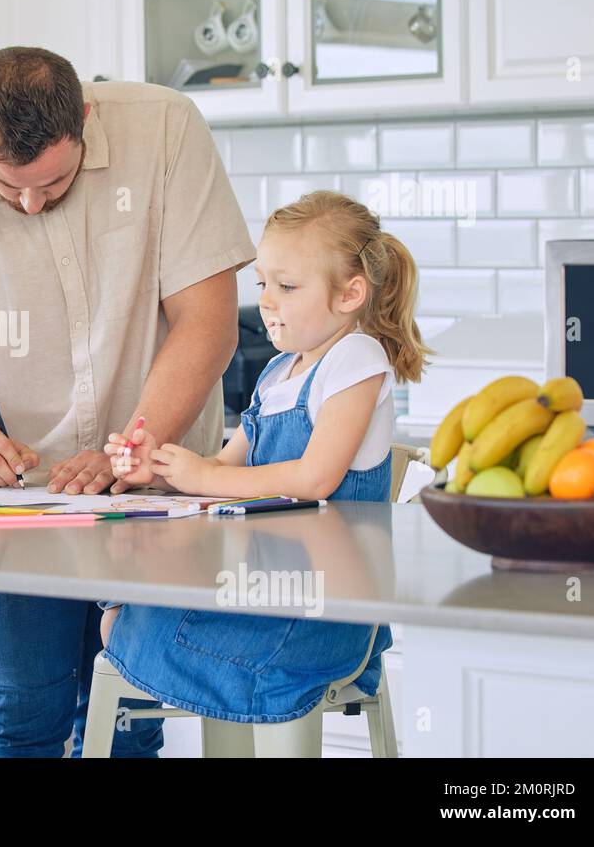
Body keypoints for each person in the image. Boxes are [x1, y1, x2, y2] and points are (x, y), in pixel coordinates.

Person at [0, 46, 254, 756]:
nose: (30, 201)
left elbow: (206, 325)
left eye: (53, 180)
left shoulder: (168, 131)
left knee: (126, 720)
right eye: (8, 184)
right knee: (21, 719)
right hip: (21, 510)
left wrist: (129, 445)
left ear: (84, 115)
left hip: (153, 494)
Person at [100, 190, 431, 724]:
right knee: (122, 609)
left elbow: (315, 478)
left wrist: (203, 473)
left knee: (132, 623)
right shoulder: (279, 374)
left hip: (321, 615)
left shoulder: (356, 358)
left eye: (287, 286)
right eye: (262, 284)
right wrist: (157, 474)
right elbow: (222, 473)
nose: (267, 301)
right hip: (266, 595)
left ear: (350, 295)